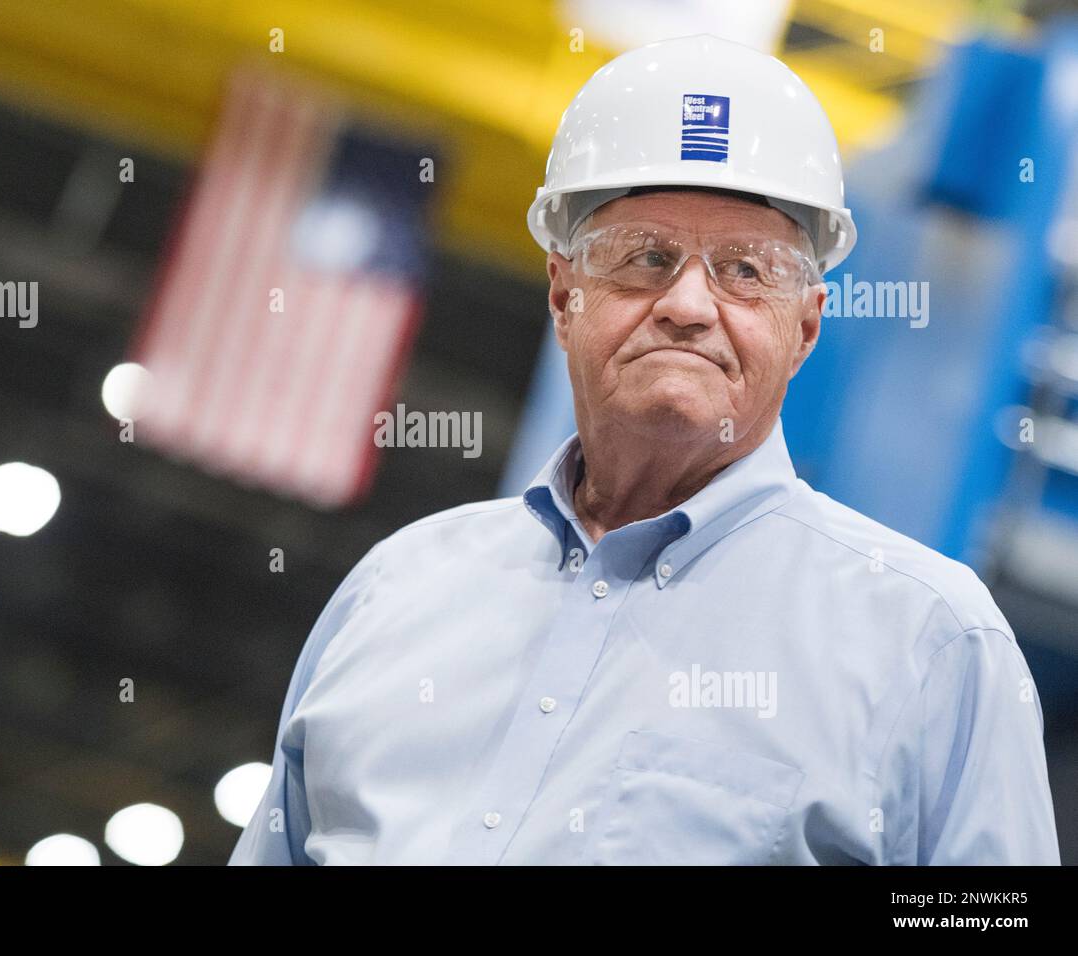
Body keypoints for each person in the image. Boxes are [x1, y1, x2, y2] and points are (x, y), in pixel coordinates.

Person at [229, 34, 1061, 865]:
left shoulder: (932, 644)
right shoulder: (395, 593)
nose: (690, 305)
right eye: (646, 259)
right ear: (564, 294)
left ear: (803, 328)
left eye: (746, 270)